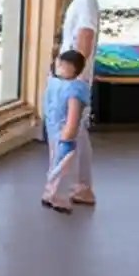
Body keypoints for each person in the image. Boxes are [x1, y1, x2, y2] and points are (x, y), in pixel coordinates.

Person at [59, 0, 100, 205]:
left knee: (76, 129)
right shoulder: (81, 1)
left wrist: (73, 72)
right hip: (74, 74)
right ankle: (78, 183)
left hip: (76, 77)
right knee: (76, 129)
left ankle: (83, 185)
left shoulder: (86, 4)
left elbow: (85, 38)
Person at [41, 50, 92, 214]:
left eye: (65, 65)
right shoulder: (59, 84)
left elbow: (73, 114)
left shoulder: (73, 89)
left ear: (75, 69)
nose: (60, 68)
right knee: (63, 165)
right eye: (59, 64)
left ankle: (54, 194)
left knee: (61, 163)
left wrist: (68, 133)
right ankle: (56, 196)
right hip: (59, 132)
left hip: (63, 132)